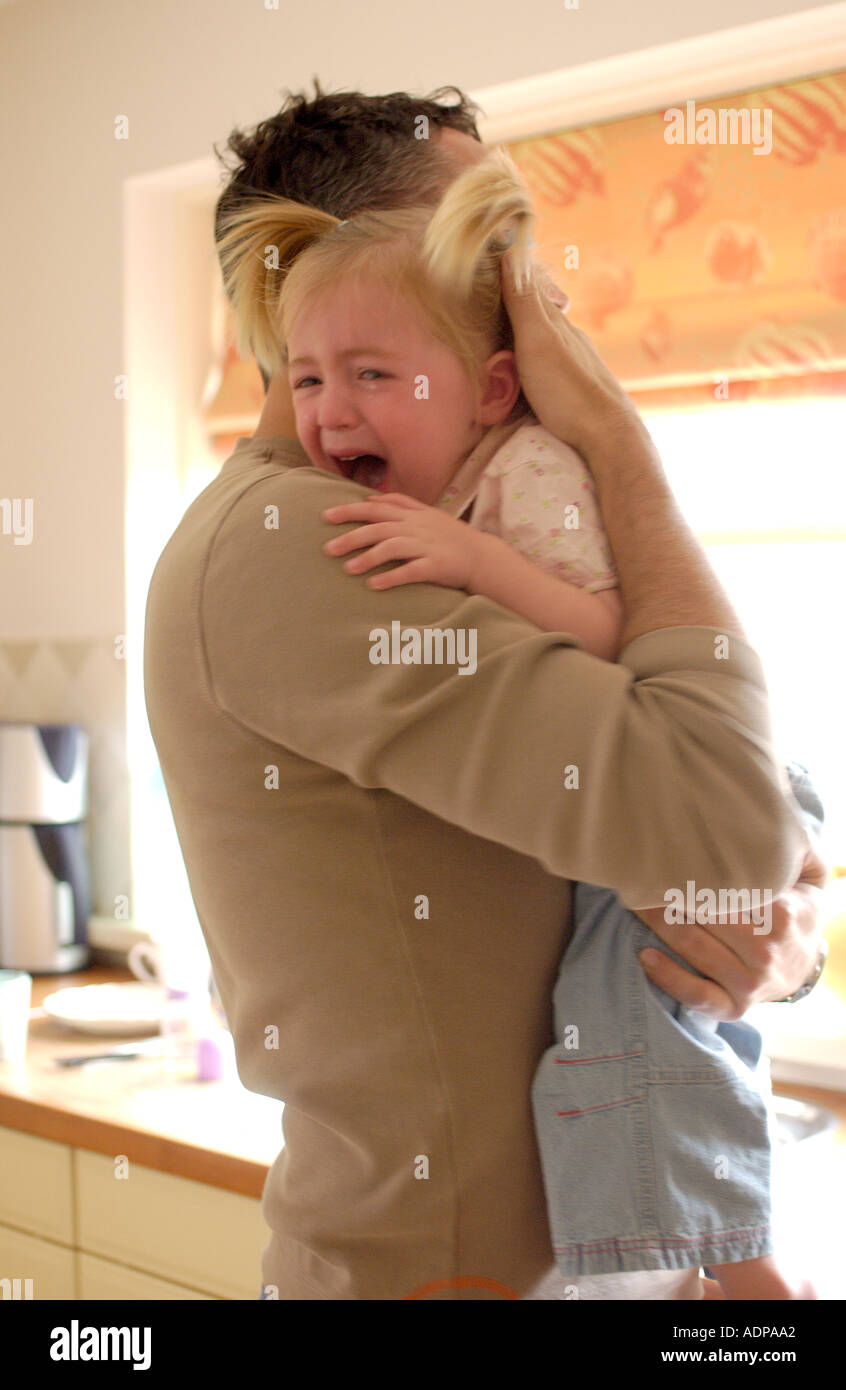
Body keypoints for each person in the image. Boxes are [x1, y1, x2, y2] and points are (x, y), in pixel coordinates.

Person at [143, 85, 827, 1301]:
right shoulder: (310, 538)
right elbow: (728, 821)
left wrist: (766, 942)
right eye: (497, 248)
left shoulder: (461, 495)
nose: (534, 291)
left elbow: (710, 843)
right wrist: (618, 436)